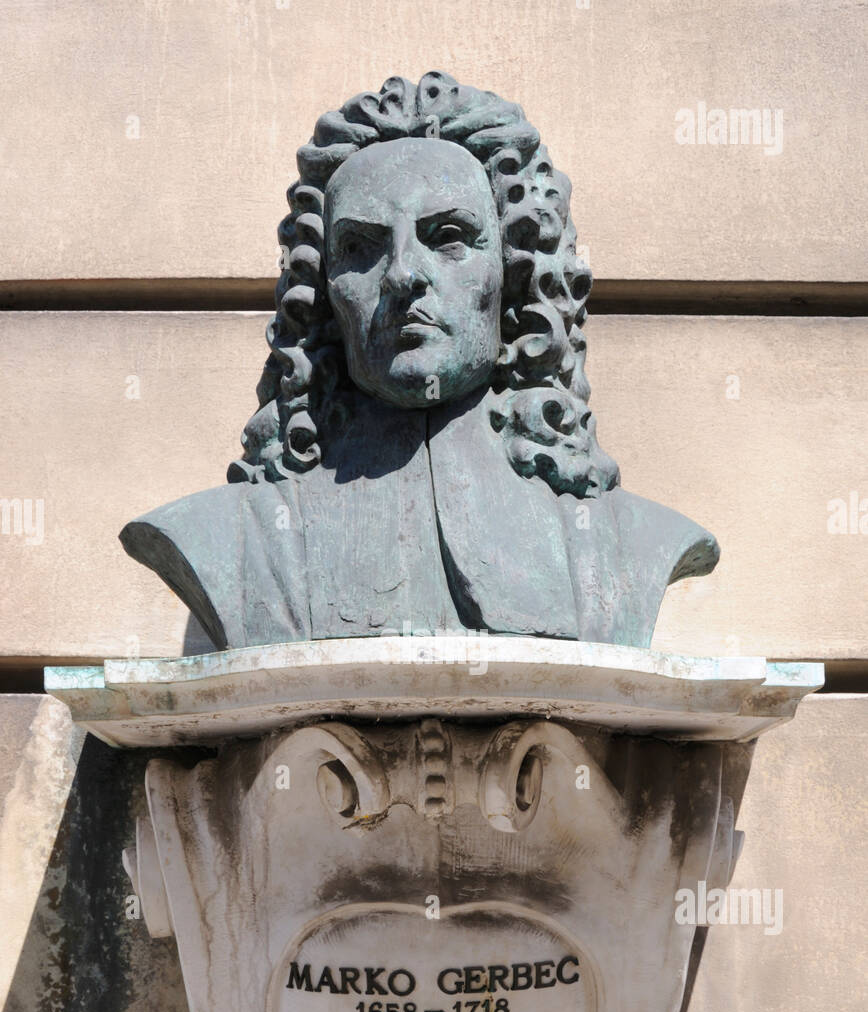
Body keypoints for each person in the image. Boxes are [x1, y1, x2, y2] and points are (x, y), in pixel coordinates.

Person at [121, 73, 718, 651]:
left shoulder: (621, 546)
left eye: (449, 236)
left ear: (514, 276)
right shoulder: (232, 538)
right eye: (361, 247)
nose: (404, 273)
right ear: (323, 289)